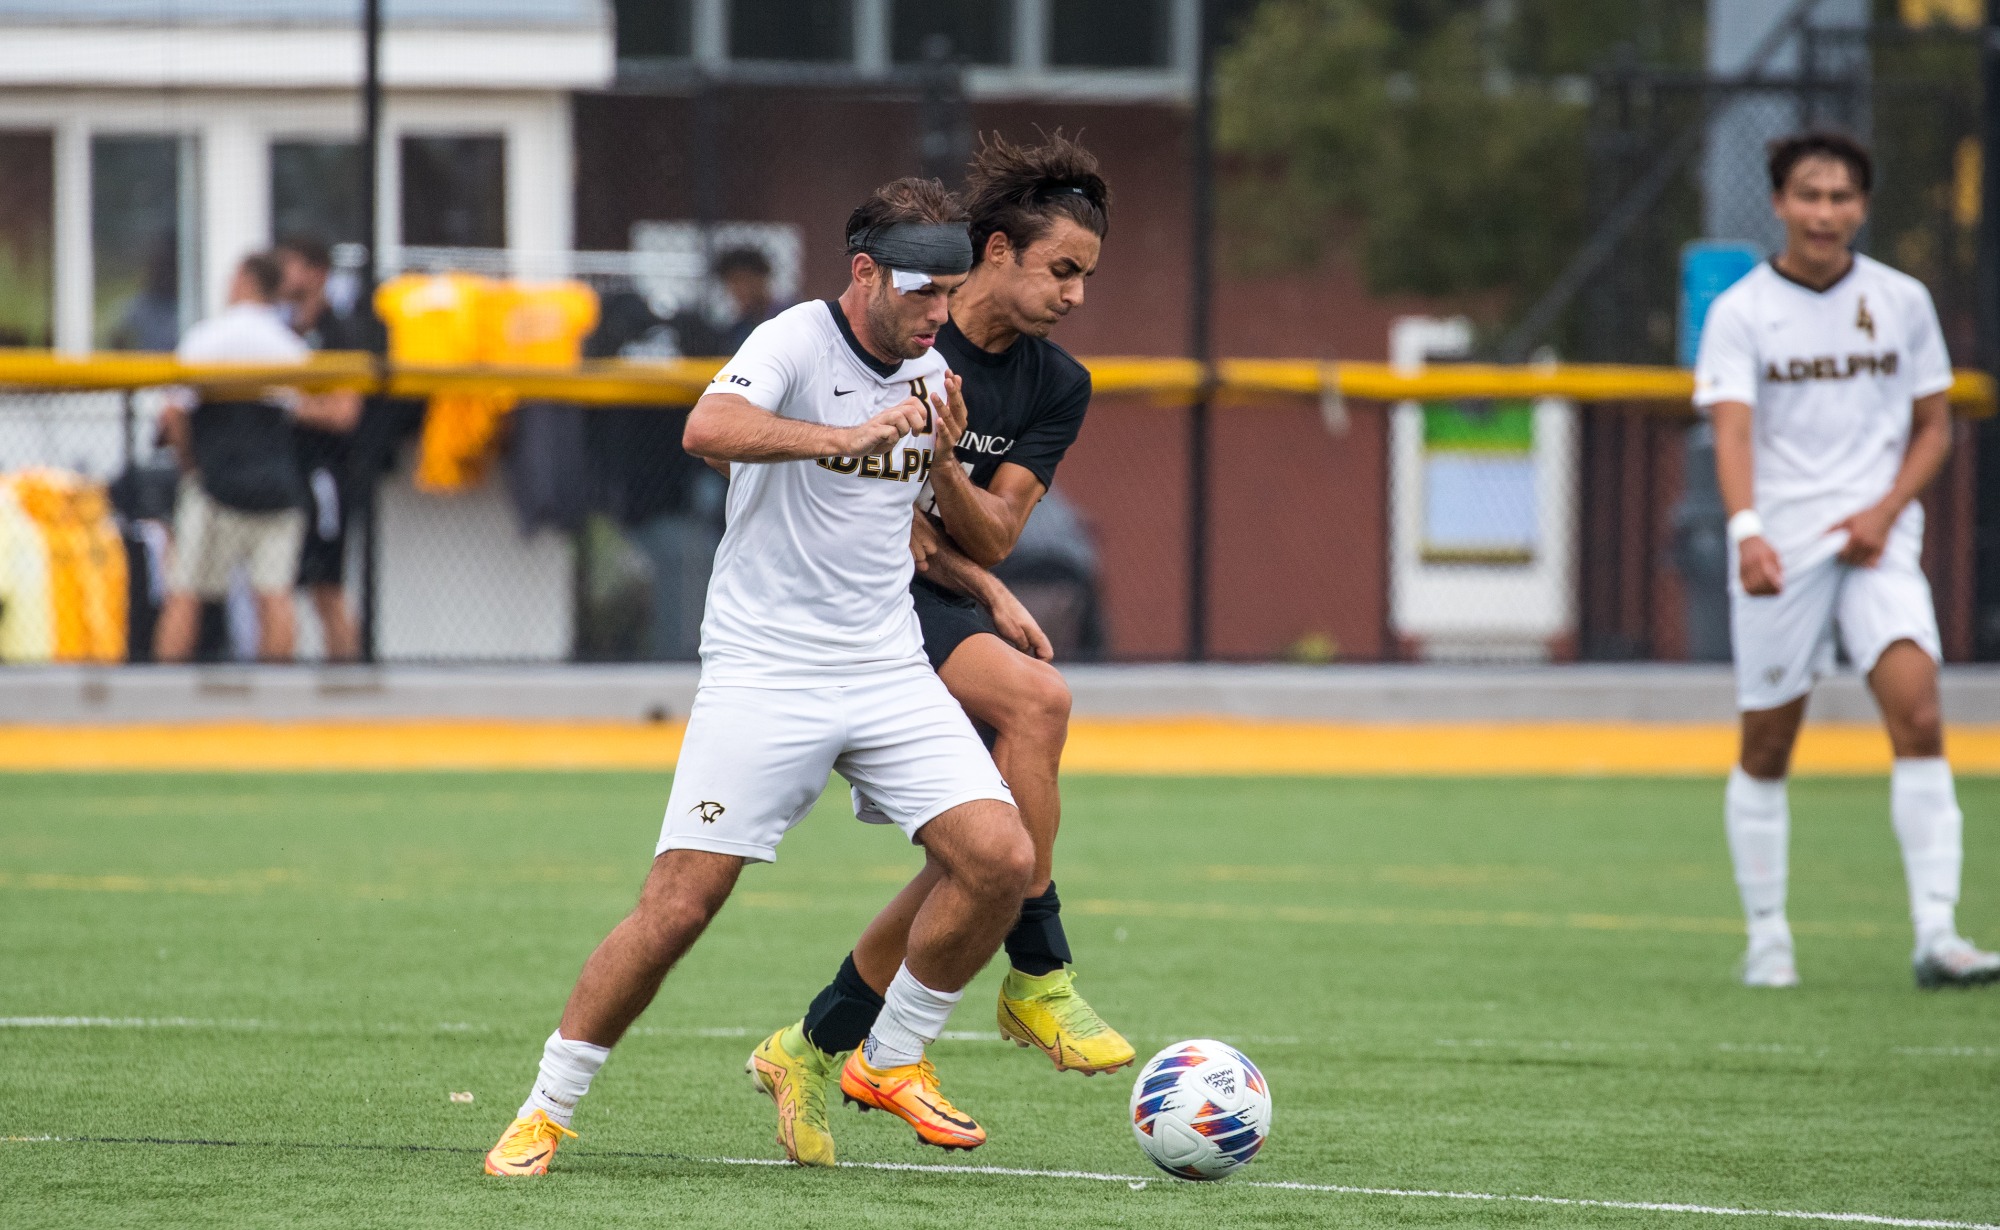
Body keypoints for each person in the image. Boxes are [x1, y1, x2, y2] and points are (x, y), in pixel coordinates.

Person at [483, 178, 1035, 1177]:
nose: (939, 312)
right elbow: (707, 430)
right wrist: (841, 437)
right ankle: (545, 1109)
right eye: (923, 291)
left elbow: (930, 524)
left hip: (885, 668)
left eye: (951, 293)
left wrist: (951, 477)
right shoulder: (792, 340)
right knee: (678, 909)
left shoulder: (932, 369)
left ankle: (889, 1058)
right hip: (766, 674)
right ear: (864, 273)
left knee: (1001, 858)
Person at [748, 132, 1124, 1169]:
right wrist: (976, 575)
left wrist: (950, 472)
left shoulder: (1057, 384)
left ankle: (809, 1047)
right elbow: (864, 507)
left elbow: (986, 531)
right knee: (1039, 702)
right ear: (996, 252)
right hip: (854, 605)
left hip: (934, 592)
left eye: (1086, 277)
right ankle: (1040, 973)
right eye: (1062, 270)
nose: (1075, 295)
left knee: (977, 864)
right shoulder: (904, 334)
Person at [1694, 130, 2000, 990]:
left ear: (1862, 207)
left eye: (1841, 197)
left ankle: (1937, 934)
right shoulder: (1743, 311)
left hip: (1878, 541)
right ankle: (1767, 938)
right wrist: (1748, 530)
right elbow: (1732, 432)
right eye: (1809, 195)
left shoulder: (1901, 300)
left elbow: (1935, 426)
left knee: (1920, 715)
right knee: (1768, 743)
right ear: (1780, 204)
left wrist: (1884, 512)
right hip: (1781, 546)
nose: (1825, 212)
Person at [153, 252, 356, 663]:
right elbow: (337, 410)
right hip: (278, 487)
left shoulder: (207, 338)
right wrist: (287, 407)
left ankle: (163, 687)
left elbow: (173, 413)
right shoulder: (288, 345)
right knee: (275, 595)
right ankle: (275, 691)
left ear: (244, 280)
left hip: (215, 485)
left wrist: (189, 463)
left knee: (186, 593)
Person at [275, 236, 365, 661]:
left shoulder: (338, 332)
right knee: (277, 585)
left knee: (326, 587)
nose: (282, 275)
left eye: (291, 265)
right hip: (284, 473)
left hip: (325, 475)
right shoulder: (284, 330)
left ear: (316, 273)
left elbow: (344, 413)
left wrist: (289, 406)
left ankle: (348, 677)